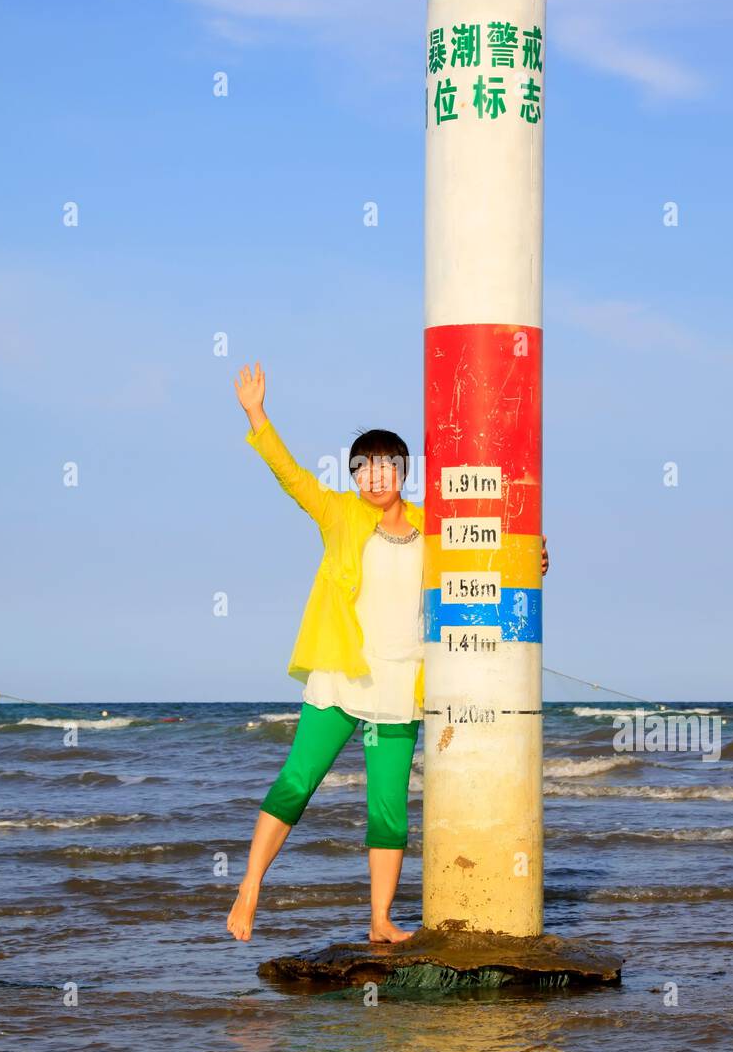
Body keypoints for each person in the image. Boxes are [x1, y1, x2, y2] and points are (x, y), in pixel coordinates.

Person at [227, 360, 549, 944]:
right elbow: (291, 475)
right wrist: (257, 415)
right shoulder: (338, 514)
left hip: (401, 686)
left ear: (402, 472)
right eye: (364, 469)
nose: (375, 478)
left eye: (385, 468)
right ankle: (250, 886)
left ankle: (379, 921)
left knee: (388, 808)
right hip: (343, 676)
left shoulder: (433, 525)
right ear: (355, 475)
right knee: (298, 783)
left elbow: (483, 557)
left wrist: (533, 561)